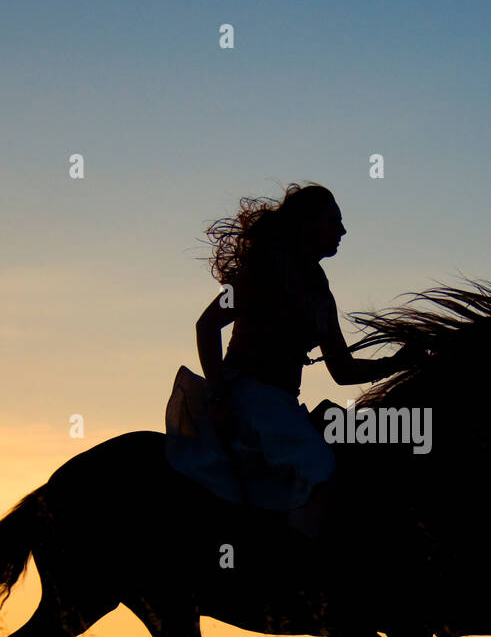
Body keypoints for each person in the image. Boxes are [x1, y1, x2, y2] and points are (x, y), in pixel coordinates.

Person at [166, 182, 416, 536]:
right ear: (306, 223)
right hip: (248, 395)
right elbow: (207, 325)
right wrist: (219, 396)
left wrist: (398, 363)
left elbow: (342, 370)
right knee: (320, 467)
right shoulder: (264, 270)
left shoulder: (319, 288)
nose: (342, 230)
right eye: (333, 221)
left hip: (282, 402)